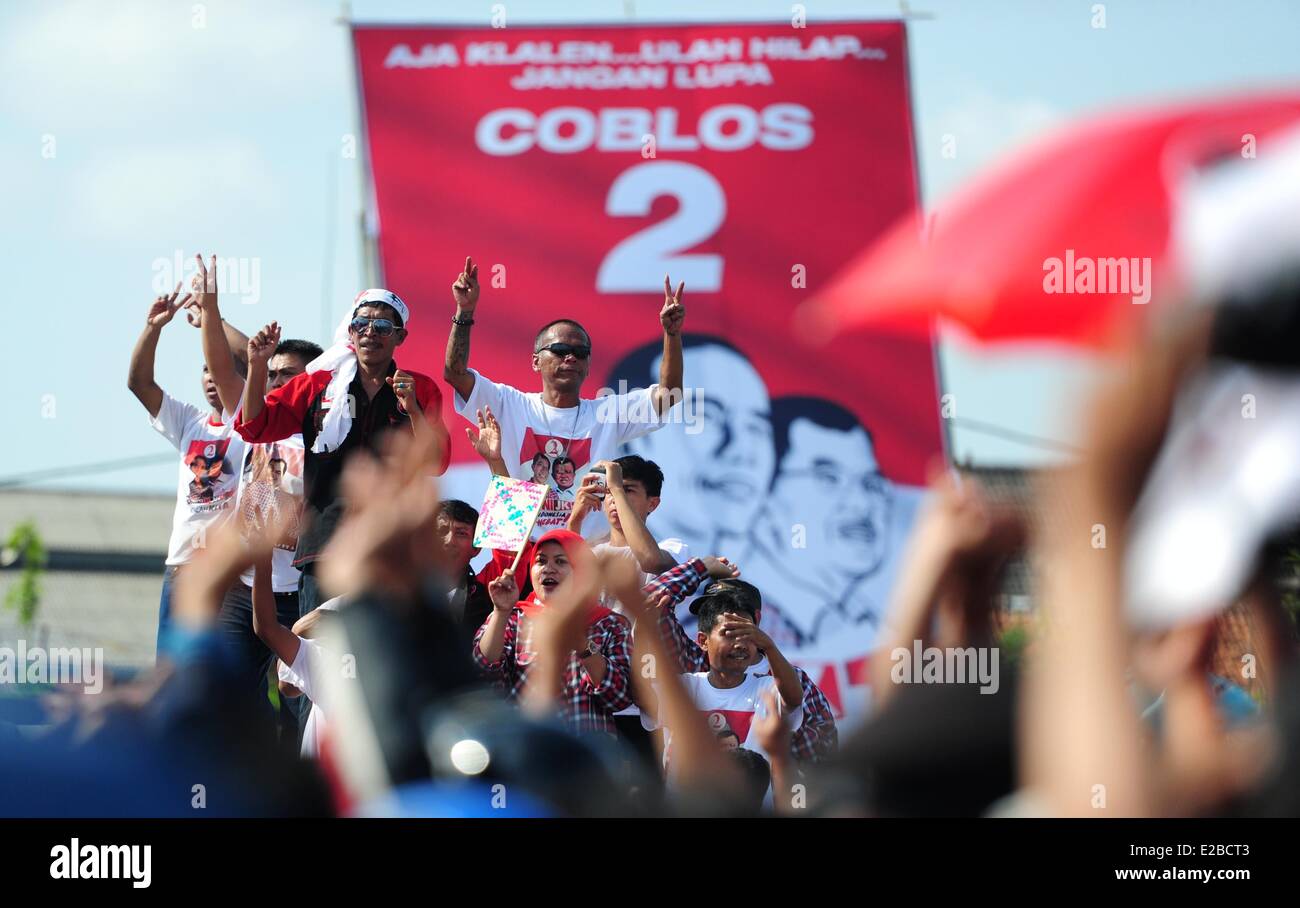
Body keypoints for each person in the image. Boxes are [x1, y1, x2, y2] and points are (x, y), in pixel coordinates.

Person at [235, 288, 451, 616]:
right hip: (324, 546)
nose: (369, 333)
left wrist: (413, 411)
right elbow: (254, 426)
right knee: (320, 652)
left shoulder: (419, 388)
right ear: (350, 331)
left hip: (389, 549)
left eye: (382, 327)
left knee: (378, 658)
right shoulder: (318, 384)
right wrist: (256, 365)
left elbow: (437, 461)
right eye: (361, 324)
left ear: (400, 337)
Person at [444, 256, 686, 536]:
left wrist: (671, 335)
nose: (571, 357)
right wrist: (464, 311)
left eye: (580, 353)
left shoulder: (605, 413)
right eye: (559, 350)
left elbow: (669, 395)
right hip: (518, 549)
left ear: (587, 365)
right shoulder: (508, 403)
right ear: (535, 361)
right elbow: (455, 373)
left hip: (586, 559)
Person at [188, 255, 324, 710]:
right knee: (223, 699)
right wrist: (211, 310)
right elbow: (226, 367)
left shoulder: (331, 434)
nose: (277, 383)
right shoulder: (252, 422)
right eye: (274, 375)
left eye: (290, 376)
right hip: (246, 588)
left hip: (304, 593)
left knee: (299, 703)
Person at [128, 273, 249, 654]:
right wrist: (152, 329)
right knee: (170, 672)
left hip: (229, 575)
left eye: (221, 369)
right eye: (205, 370)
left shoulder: (252, 422)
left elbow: (249, 355)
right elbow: (140, 384)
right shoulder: (189, 421)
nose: (212, 377)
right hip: (181, 567)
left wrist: (214, 315)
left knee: (224, 681)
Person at [744, 396, 897, 647]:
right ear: (763, 495)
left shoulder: (881, 631)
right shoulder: (734, 627)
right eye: (829, 478)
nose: (862, 502)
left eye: (871, 484)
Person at [645, 574, 840, 764]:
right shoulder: (693, 666)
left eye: (733, 611)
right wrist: (701, 567)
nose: (737, 644)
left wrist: (776, 746)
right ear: (704, 639)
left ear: (755, 619)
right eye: (710, 610)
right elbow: (650, 604)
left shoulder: (785, 680)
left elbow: (823, 743)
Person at [639, 589, 803, 799]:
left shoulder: (769, 689)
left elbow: (794, 699)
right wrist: (642, 634)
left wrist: (769, 646)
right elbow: (642, 695)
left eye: (748, 635)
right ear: (703, 640)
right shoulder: (683, 687)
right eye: (729, 634)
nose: (740, 644)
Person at [434, 499, 494, 651]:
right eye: (441, 531)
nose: (449, 541)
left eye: (461, 533)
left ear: (476, 549)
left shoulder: (487, 602)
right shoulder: (398, 593)